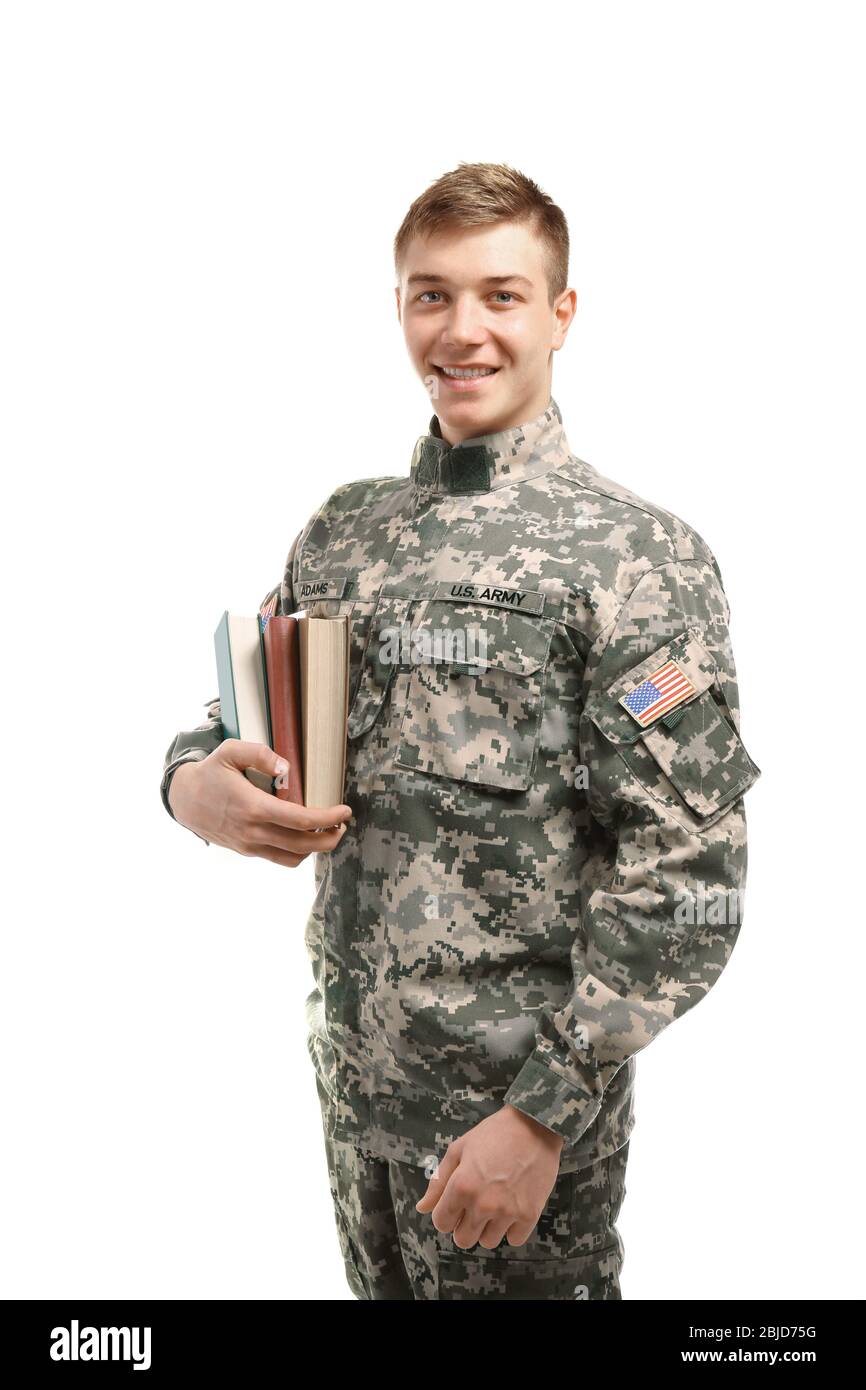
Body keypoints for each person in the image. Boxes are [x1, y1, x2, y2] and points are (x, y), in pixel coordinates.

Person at [161, 162, 760, 1300]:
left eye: (500, 294)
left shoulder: (635, 558)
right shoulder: (345, 533)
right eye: (429, 294)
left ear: (559, 314)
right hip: (355, 1104)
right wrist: (193, 784)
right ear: (399, 308)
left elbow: (691, 873)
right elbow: (239, 719)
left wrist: (539, 1118)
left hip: (511, 1129)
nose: (461, 330)